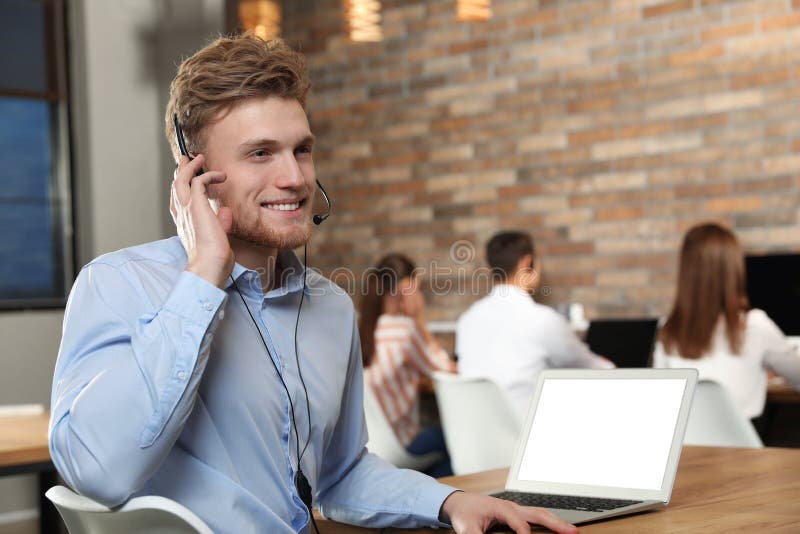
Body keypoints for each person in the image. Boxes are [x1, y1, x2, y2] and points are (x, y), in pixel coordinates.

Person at [48, 34, 576, 534]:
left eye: (301, 150)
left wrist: (450, 501)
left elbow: (340, 476)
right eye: (261, 154)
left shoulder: (328, 305)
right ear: (193, 172)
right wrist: (205, 272)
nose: (296, 178)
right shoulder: (117, 285)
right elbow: (96, 472)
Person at [456, 231, 613, 419]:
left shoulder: (467, 320)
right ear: (526, 263)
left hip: (475, 440)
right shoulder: (544, 321)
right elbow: (596, 369)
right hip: (526, 438)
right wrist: (608, 365)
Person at [653, 222, 800, 420]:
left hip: (687, 447)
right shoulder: (754, 325)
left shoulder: (668, 328)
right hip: (743, 449)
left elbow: (661, 399)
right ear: (734, 270)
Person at [359, 253, 456, 477]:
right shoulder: (404, 329)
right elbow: (448, 371)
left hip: (371, 447)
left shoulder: (361, 329)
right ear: (406, 287)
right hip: (402, 445)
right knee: (456, 440)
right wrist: (419, 318)